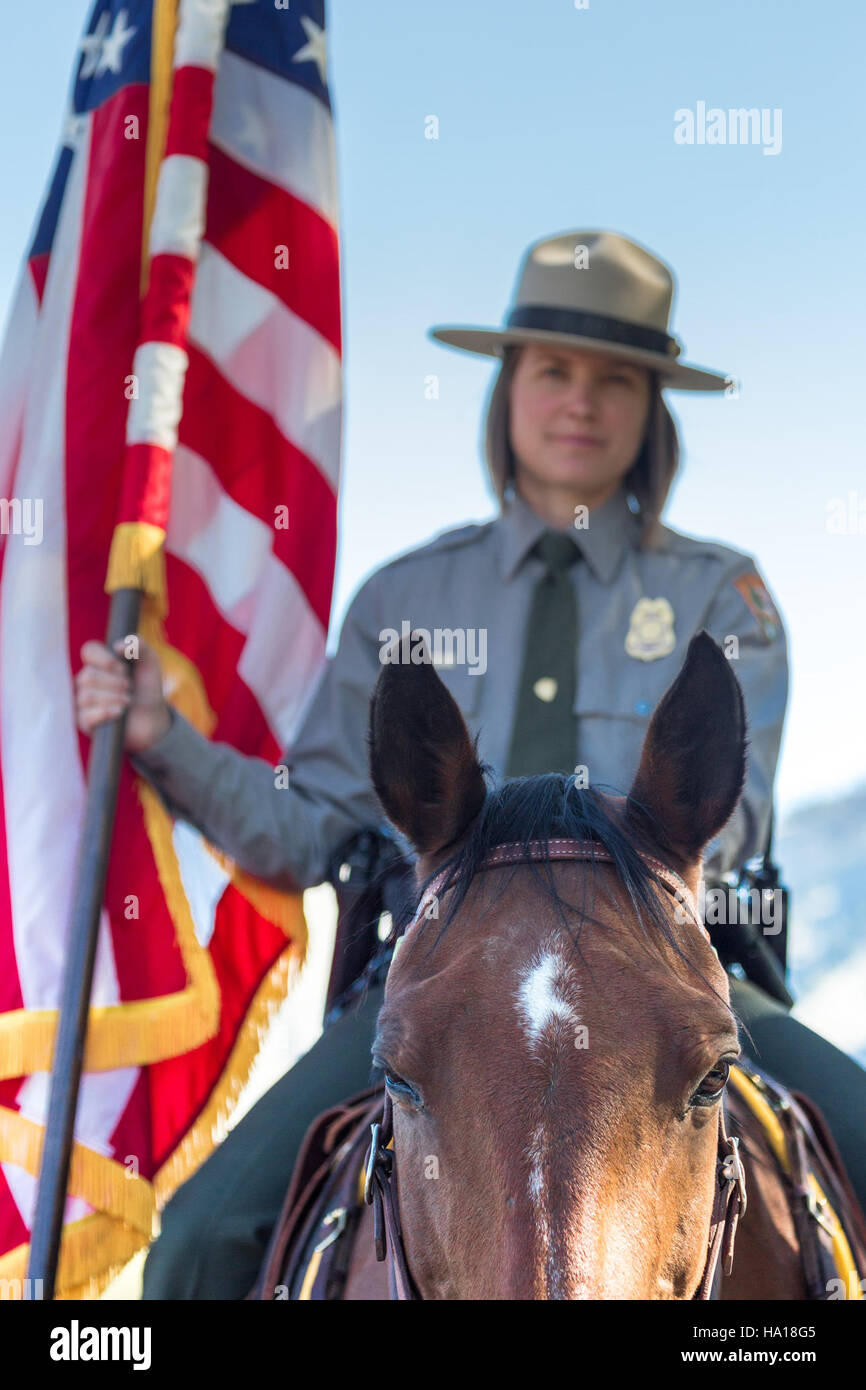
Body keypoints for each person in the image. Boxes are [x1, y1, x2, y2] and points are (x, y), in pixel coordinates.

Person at [76, 230, 866, 1298]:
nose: (579, 402)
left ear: (650, 407)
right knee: (197, 1248)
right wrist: (159, 739)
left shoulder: (722, 596)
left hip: (672, 980)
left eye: (613, 378)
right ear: (507, 389)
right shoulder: (403, 598)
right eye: (553, 370)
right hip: (446, 978)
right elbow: (303, 824)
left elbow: (728, 826)